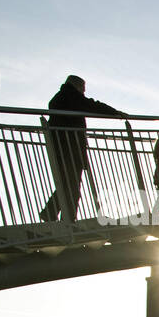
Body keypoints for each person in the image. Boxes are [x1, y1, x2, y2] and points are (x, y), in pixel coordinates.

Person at [39, 75, 127, 222]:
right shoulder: (70, 96)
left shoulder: (60, 97)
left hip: (61, 147)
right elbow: (92, 105)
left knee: (66, 184)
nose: (84, 92)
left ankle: (50, 212)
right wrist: (115, 112)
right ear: (77, 86)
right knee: (72, 187)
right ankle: (67, 219)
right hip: (70, 148)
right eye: (83, 89)